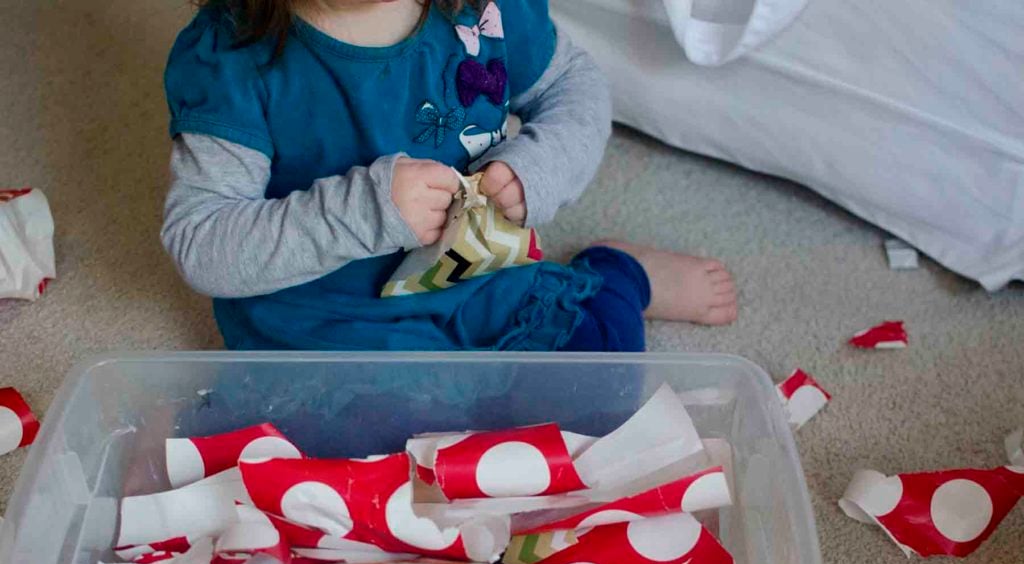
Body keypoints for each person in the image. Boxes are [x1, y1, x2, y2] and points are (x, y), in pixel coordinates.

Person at [161, 0, 738, 352]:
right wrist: (362, 211)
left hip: (478, 277)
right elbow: (202, 242)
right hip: (324, 319)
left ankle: (618, 274)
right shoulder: (229, 54)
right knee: (357, 469)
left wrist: (537, 167)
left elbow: (574, 89)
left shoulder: (485, 6)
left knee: (604, 376)